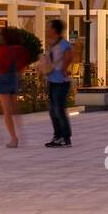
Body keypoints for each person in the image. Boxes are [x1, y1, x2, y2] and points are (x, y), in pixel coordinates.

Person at [0, 27, 29, 148]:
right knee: (15, 109)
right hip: (14, 79)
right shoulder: (20, 50)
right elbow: (24, 65)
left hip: (3, 79)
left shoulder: (3, 50)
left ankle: (13, 138)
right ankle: (21, 133)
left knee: (6, 112)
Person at [41, 18, 73, 147]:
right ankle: (58, 135)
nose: (46, 29)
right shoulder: (51, 44)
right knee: (53, 110)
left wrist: (64, 69)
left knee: (59, 109)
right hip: (52, 80)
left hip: (61, 81)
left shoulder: (63, 44)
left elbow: (69, 56)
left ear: (54, 29)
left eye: (48, 27)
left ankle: (64, 137)